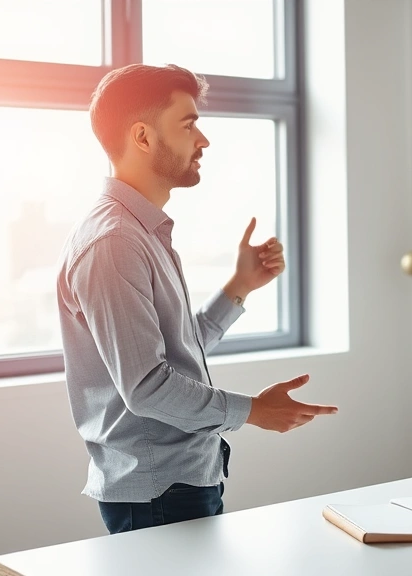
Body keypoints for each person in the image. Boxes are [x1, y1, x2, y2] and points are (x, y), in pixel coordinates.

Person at [56, 63, 338, 535]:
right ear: (142, 137)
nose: (203, 141)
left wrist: (240, 286)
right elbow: (147, 387)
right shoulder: (114, 242)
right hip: (158, 494)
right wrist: (254, 411)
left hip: (178, 483)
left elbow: (176, 351)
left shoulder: (142, 233)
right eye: (188, 125)